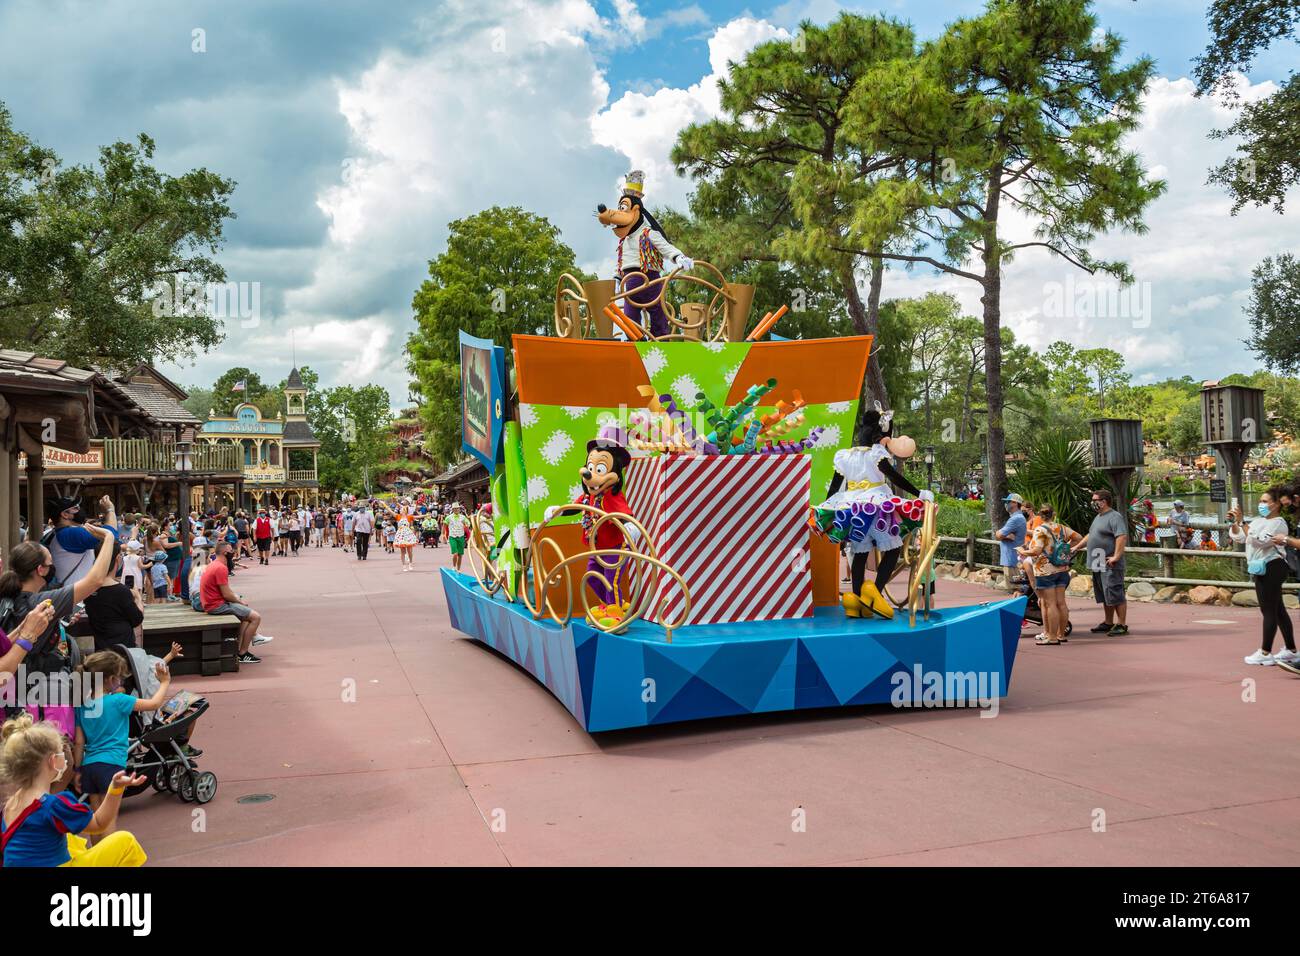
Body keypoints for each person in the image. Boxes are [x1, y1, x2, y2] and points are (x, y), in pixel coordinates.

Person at [1, 714, 147, 867]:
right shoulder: (53, 805)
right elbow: (99, 824)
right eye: (61, 753)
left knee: (71, 839)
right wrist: (115, 789)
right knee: (125, 841)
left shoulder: (10, 805)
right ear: (52, 761)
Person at [73, 651, 171, 828]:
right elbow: (154, 704)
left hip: (89, 766)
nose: (120, 681)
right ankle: (112, 856)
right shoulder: (119, 700)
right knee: (109, 822)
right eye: (119, 678)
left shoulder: (82, 706)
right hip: (112, 766)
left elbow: (79, 742)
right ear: (110, 679)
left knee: (97, 824)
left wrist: (77, 770)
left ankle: (98, 854)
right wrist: (164, 682)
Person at [1230, 492, 1299, 666]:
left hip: (1272, 567)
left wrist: (1243, 522)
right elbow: (1241, 537)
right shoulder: (1259, 521)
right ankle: (1291, 650)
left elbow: (1259, 541)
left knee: (1268, 611)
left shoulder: (1279, 523)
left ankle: (1265, 652)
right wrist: (1236, 522)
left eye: (1265, 501)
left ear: (1276, 504)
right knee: (1278, 610)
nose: (1261, 504)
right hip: (1262, 567)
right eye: (1260, 501)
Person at [1019, 505, 1082, 646]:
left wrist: (1023, 552)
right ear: (1053, 514)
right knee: (1061, 603)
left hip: (1045, 570)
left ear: (1040, 516)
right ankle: (1061, 634)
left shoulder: (1040, 530)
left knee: (1049, 604)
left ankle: (1052, 637)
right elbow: (1078, 537)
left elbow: (1036, 550)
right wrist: (1067, 549)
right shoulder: (1061, 528)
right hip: (1062, 569)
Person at [200, 539, 270, 663]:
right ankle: (243, 653)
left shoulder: (214, 564)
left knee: (245, 618)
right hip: (217, 605)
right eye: (231, 550)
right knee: (255, 617)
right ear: (224, 553)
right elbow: (226, 594)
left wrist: (236, 599)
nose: (233, 552)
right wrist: (240, 602)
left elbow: (224, 591)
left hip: (211, 603)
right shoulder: (221, 568)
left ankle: (239, 649)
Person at [1072, 488, 1129, 637]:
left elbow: (1121, 536)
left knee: (1115, 592)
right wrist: (1077, 547)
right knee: (1104, 593)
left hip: (1109, 561)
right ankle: (1108, 622)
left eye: (1095, 500)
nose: (1092, 503)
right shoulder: (1098, 517)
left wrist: (1116, 556)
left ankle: (1122, 624)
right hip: (1097, 561)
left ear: (1103, 502)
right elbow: (1091, 535)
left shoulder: (1115, 516)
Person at [43, 495, 118, 589]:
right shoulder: (71, 533)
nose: (79, 510)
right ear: (65, 514)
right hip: (76, 598)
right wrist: (110, 509)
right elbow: (111, 536)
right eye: (75, 508)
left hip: (67, 592)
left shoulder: (52, 534)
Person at [82, 541, 145, 652]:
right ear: (117, 558)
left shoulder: (87, 589)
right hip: (122, 654)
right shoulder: (121, 591)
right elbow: (137, 619)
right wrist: (138, 598)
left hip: (101, 653)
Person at [993, 493, 1028, 591]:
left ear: (1015, 503)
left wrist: (998, 532)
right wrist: (1005, 535)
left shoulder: (1015, 519)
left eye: (1008, 502)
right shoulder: (1019, 518)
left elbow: (999, 535)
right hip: (1013, 558)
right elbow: (1004, 535)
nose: (1006, 504)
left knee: (1015, 589)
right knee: (1016, 588)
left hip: (1012, 559)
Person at [444, 502, 470, 572]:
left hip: (461, 536)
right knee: (455, 553)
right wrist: (444, 535)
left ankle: (458, 569)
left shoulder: (463, 517)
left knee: (460, 554)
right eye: (454, 509)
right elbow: (444, 526)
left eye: (457, 508)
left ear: (459, 509)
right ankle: (454, 566)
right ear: (452, 509)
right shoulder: (448, 517)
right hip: (452, 536)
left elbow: (467, 523)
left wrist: (467, 524)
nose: (456, 510)